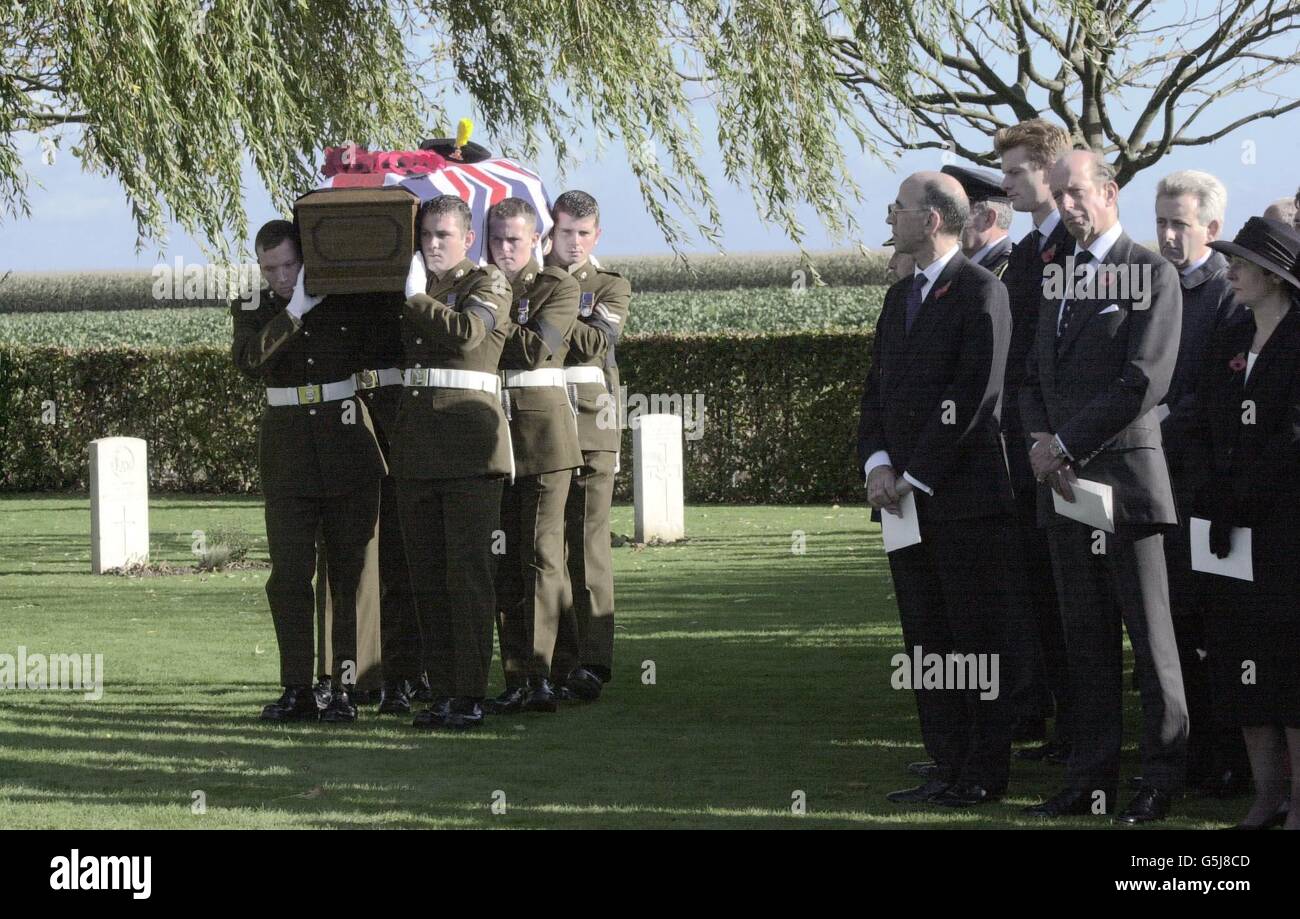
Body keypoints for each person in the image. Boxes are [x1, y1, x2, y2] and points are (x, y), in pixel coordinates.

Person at [1020, 149, 1188, 823]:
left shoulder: (1151, 273)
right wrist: (1041, 443)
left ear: (1110, 191)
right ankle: (1088, 781)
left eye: (1076, 192)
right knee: (1084, 642)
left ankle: (1161, 778)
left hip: (1127, 488)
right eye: (1057, 194)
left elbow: (1144, 381)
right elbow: (1032, 375)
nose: (1065, 205)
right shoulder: (1058, 277)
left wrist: (1064, 444)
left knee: (1152, 644)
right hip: (1064, 492)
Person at [858, 170, 1016, 806]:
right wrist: (876, 464)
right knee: (926, 635)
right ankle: (946, 758)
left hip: (962, 501)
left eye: (898, 207)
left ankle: (981, 771)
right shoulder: (899, 299)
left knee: (974, 635)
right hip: (901, 503)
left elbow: (974, 397)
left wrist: (913, 475)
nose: (889, 216)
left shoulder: (982, 292)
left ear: (932, 220)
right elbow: (877, 393)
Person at [231, 220, 386, 723]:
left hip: (347, 448)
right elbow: (251, 361)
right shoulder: (252, 307)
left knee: (349, 575)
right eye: (269, 267)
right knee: (290, 576)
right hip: (288, 455)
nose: (279, 276)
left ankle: (344, 689)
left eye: (289, 265)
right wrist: (294, 312)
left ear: (307, 260)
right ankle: (296, 687)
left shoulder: (345, 300)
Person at [1190, 216, 1300, 830]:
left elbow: (1291, 439)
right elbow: (1204, 418)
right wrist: (1212, 493)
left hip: (1284, 530)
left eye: (1242, 261)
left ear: (1277, 276)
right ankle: (1266, 797)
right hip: (1228, 532)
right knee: (1239, 661)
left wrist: (1240, 499)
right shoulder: (1231, 333)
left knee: (1288, 669)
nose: (1229, 269)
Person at [393, 195, 514, 730]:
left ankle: (469, 695)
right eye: (426, 235)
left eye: (444, 235)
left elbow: (469, 336)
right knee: (428, 578)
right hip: (418, 451)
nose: (434, 244)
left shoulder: (487, 283)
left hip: (470, 452)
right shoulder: (413, 289)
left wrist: (416, 298)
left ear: (468, 238)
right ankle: (442, 693)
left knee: (467, 577)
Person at [1152, 170, 1248, 795]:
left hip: (1206, 485)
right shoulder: (1152, 287)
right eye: (1160, 221)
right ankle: (1184, 755)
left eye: (1178, 223)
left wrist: (1151, 417)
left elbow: (1215, 395)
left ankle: (1227, 760)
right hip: (1154, 482)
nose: (1165, 235)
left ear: (1211, 230)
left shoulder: (1233, 298)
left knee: (1220, 631)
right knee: (1173, 629)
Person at [483, 197, 584, 715]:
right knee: (505, 558)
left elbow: (529, 350)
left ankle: (541, 673)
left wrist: (488, 315)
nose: (504, 249)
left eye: (514, 240)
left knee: (543, 556)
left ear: (537, 242)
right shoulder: (475, 289)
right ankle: (519, 674)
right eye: (497, 239)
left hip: (544, 440)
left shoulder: (560, 287)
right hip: (496, 440)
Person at [994, 118, 1075, 761]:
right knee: (1038, 591)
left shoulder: (1073, 251)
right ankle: (1059, 724)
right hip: (1023, 444)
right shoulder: (1028, 251)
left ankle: (1082, 733)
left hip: (1060, 446)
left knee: (1072, 597)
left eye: (1018, 171)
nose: (1007, 183)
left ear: (1051, 171)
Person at [548, 190, 631, 701]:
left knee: (586, 542)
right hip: (540, 423)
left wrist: (549, 310)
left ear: (596, 235)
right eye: (564, 232)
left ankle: (593, 661)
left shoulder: (610, 284)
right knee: (544, 546)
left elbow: (598, 342)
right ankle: (555, 656)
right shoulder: (528, 281)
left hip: (590, 424)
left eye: (583, 233)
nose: (574, 243)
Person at [942, 164, 1013, 276]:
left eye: (957, 209)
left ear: (988, 219)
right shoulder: (955, 269)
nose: (945, 218)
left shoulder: (1015, 271)